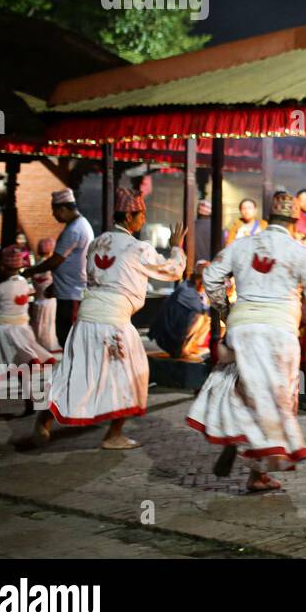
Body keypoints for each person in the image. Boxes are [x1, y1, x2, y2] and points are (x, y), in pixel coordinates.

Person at [188, 191, 306, 492]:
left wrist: (226, 311)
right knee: (277, 398)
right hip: (278, 334)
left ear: (269, 218)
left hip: (242, 329)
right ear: (295, 222)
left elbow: (211, 277)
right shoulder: (300, 253)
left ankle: (237, 438)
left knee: (238, 388)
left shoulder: (242, 245)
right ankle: (257, 472)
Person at [30, 189, 186, 451]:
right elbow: (172, 270)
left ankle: (44, 420)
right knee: (130, 374)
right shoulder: (138, 248)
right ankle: (113, 435)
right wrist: (176, 246)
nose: (143, 221)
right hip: (114, 321)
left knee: (76, 372)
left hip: (88, 318)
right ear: (129, 216)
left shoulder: (96, 243)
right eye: (141, 215)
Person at [0, 244, 55, 413]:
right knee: (22, 366)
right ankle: (29, 401)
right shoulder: (25, 283)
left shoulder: (2, 287)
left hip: (3, 331)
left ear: (3, 267)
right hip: (23, 330)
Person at [21, 189, 94, 349]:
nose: (53, 215)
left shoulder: (74, 229)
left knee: (69, 338)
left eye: (54, 211)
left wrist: (28, 272)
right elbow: (69, 263)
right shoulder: (80, 225)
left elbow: (55, 261)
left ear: (63, 209)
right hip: (69, 290)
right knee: (67, 338)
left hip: (72, 294)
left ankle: (75, 372)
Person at [149, 266, 211, 361]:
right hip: (169, 334)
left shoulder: (197, 290)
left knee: (206, 318)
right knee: (201, 317)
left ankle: (190, 347)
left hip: (176, 328)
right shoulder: (187, 290)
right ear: (199, 280)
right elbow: (203, 310)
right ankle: (181, 349)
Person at [30, 237, 59, 352]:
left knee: (37, 323)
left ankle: (38, 344)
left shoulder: (36, 266)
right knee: (49, 323)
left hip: (38, 299)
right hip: (50, 300)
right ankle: (49, 344)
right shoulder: (52, 267)